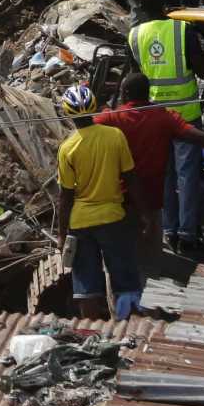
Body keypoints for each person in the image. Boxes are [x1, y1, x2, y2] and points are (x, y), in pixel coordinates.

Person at [97, 69, 204, 256]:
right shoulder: (164, 118)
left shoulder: (114, 117)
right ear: (147, 92)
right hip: (152, 202)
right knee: (149, 256)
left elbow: (86, 125)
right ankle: (183, 237)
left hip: (123, 200)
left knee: (121, 254)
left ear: (125, 93)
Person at [55, 82, 140, 320]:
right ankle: (129, 326)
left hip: (81, 223)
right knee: (125, 280)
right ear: (94, 108)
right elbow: (131, 178)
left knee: (86, 287)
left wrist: (61, 234)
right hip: (113, 218)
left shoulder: (67, 148)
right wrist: (142, 214)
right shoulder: (115, 136)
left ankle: (91, 330)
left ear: (67, 114)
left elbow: (66, 197)